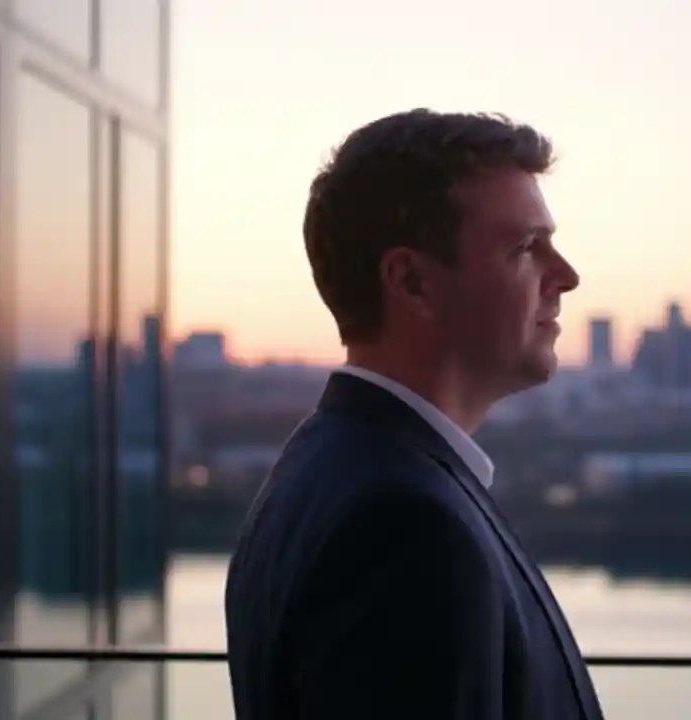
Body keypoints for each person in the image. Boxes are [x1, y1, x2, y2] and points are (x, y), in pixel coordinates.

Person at [225, 109, 603, 719]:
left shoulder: (328, 468)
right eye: (526, 248)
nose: (566, 276)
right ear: (411, 281)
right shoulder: (407, 524)